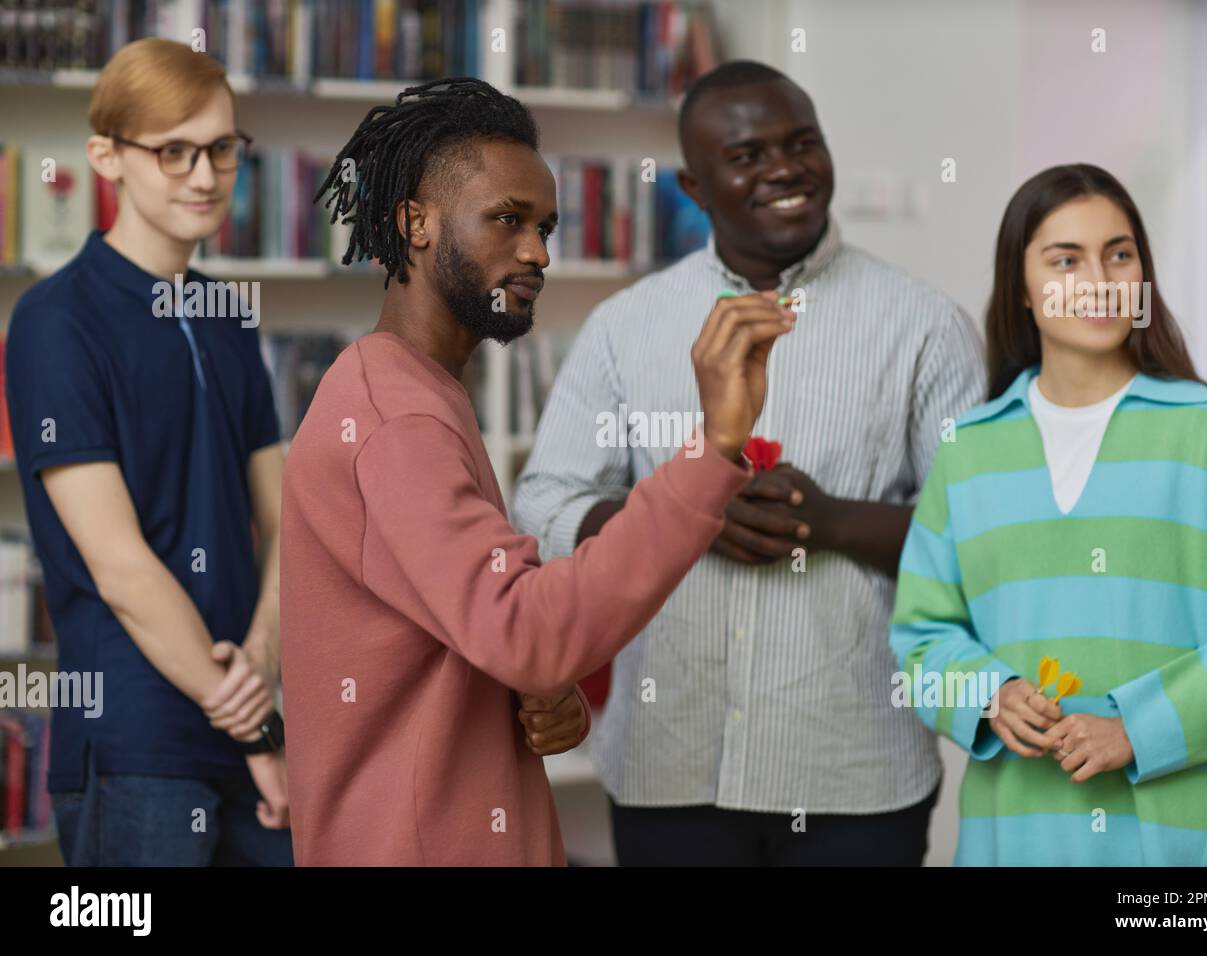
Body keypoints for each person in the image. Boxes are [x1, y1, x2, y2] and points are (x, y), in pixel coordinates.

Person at [278, 77, 793, 866]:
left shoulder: (417, 392)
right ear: (415, 223)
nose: (538, 252)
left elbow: (480, 633)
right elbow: (526, 630)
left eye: (545, 225)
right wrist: (714, 450)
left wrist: (533, 698)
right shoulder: (397, 418)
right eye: (507, 220)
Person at [513, 60, 984, 865]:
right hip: (668, 765)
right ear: (695, 189)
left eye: (803, 143)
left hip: (856, 771)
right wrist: (681, 514)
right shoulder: (626, 326)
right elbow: (545, 503)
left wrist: (831, 522)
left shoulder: (925, 325)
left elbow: (981, 534)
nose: (785, 168)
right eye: (748, 156)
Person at [889, 163, 1207, 866]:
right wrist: (991, 695)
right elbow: (921, 641)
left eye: (1119, 253)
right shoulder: (969, 451)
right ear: (1020, 287)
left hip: (1170, 850)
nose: (1101, 280)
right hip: (1009, 838)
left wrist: (1137, 730)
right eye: (1065, 260)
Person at [4, 39, 291, 865]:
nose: (204, 176)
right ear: (107, 157)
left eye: (222, 149)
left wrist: (263, 663)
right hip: (134, 741)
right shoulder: (55, 321)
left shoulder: (232, 316)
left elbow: (285, 520)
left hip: (247, 719)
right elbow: (120, 566)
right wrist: (249, 714)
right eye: (173, 151)